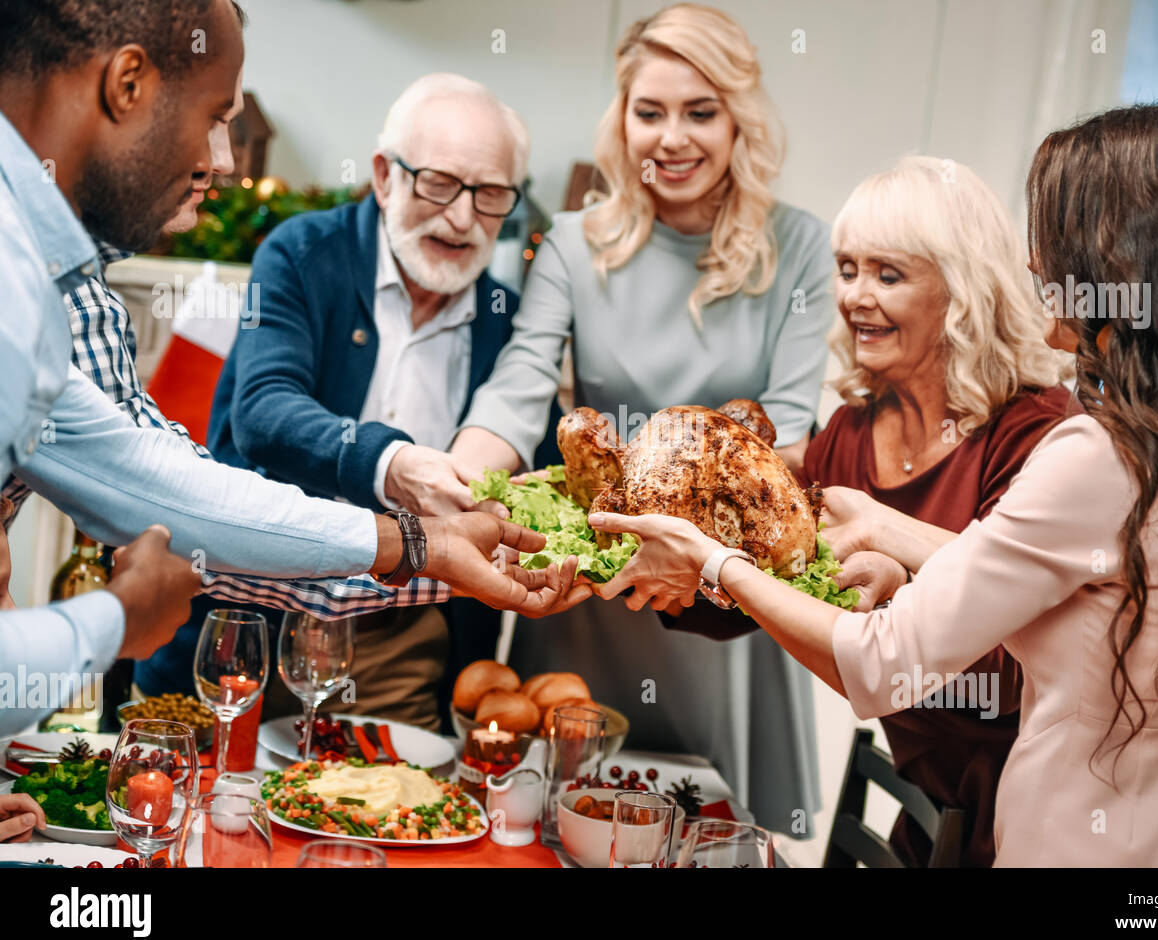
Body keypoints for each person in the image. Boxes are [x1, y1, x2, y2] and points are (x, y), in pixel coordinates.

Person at [590, 103, 1158, 867]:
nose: (1033, 260)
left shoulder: (1097, 453)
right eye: (849, 268)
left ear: (1116, 266)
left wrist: (710, 559)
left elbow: (887, 660)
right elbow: (1076, 590)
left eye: (1052, 236)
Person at [0, 0, 579, 736]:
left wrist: (422, 543)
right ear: (128, 84)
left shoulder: (54, 272)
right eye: (215, 115)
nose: (223, 160)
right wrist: (110, 623)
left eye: (491, 195)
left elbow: (153, 480)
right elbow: (237, 434)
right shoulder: (22, 276)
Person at [440, 3, 835, 830]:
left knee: (706, 831)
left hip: (728, 601)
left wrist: (699, 556)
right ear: (621, 119)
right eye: (649, 111)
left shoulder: (798, 247)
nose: (672, 137)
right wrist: (452, 485)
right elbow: (518, 391)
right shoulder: (575, 243)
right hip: (594, 605)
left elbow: (789, 439)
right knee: (565, 825)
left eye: (701, 111)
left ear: (740, 120)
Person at [176, 72, 567, 729]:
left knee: (393, 807)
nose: (464, 217)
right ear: (385, 175)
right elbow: (263, 410)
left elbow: (540, 470)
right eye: (439, 183)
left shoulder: (507, 317)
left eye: (492, 194)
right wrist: (393, 464)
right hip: (265, 610)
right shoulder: (304, 254)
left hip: (410, 635)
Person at [784, 155, 1072, 866]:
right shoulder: (851, 432)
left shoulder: (1032, 431)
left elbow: (1007, 675)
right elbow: (776, 578)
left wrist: (903, 584)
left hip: (1029, 820)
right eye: (848, 269)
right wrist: (668, 557)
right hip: (929, 814)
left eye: (889, 274)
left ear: (962, 290)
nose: (856, 296)